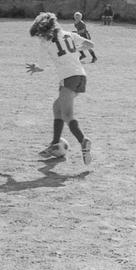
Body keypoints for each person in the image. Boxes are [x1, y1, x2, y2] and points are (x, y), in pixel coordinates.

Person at [26, 12, 95, 164]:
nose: (39, 37)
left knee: (67, 115)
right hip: (81, 76)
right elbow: (90, 45)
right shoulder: (69, 34)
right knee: (57, 107)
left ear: (44, 32)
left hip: (68, 77)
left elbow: (41, 67)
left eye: (39, 34)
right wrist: (75, 50)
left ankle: (83, 141)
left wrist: (35, 68)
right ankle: (55, 144)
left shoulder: (45, 43)